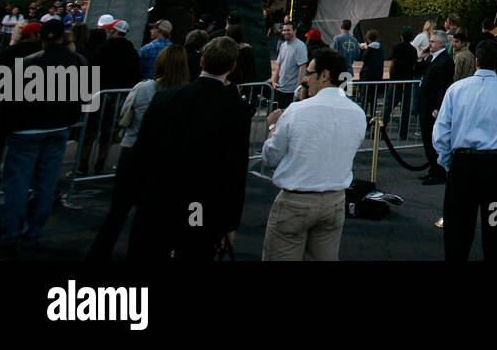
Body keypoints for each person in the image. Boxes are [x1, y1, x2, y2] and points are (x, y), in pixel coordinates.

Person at [128, 37, 252, 260]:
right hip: (201, 205)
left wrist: (138, 193)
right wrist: (229, 222)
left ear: (202, 62)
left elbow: (142, 151)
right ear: (232, 68)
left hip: (159, 198)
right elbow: (234, 170)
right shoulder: (236, 110)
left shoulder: (165, 98)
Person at [260, 48, 368, 260]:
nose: (305, 80)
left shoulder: (296, 111)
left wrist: (273, 128)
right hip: (334, 201)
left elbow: (270, 157)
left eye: (309, 73)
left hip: (296, 201)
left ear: (325, 75)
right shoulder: (357, 113)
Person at [88, 44, 190, 260]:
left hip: (133, 149)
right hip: (163, 156)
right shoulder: (184, 93)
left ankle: (99, 251)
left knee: (118, 210)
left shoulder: (144, 88)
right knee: (151, 213)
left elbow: (126, 112)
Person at [431, 38, 497, 261]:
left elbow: (442, 131)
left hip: (463, 166)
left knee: (458, 228)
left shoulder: (457, 90)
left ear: (476, 61)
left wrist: (448, 161)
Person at [0, 19, 86, 257]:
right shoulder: (77, 62)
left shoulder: (26, 64)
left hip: (26, 131)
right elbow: (84, 99)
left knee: (16, 185)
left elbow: (6, 102)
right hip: (57, 130)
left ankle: (8, 235)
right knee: (45, 186)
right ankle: (32, 235)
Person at [418, 30, 454, 185]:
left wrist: (438, 107)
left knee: (434, 140)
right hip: (425, 104)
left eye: (433, 41)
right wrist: (421, 57)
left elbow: (444, 86)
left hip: (433, 106)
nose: (430, 44)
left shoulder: (446, 61)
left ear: (441, 43)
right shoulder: (431, 59)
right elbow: (417, 71)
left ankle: (438, 172)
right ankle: (433, 169)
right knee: (427, 138)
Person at [270, 22, 309, 110]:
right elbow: (279, 65)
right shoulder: (283, 45)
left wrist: (298, 88)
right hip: (280, 88)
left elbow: (302, 67)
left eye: (288, 30)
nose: (285, 32)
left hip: (291, 91)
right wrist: (274, 81)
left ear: (294, 31)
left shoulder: (300, 46)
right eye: (284, 30)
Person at [95, 17, 141, 91]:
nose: (106, 32)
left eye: (108, 30)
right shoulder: (132, 50)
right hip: (122, 93)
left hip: (103, 91)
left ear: (115, 31)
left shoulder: (104, 49)